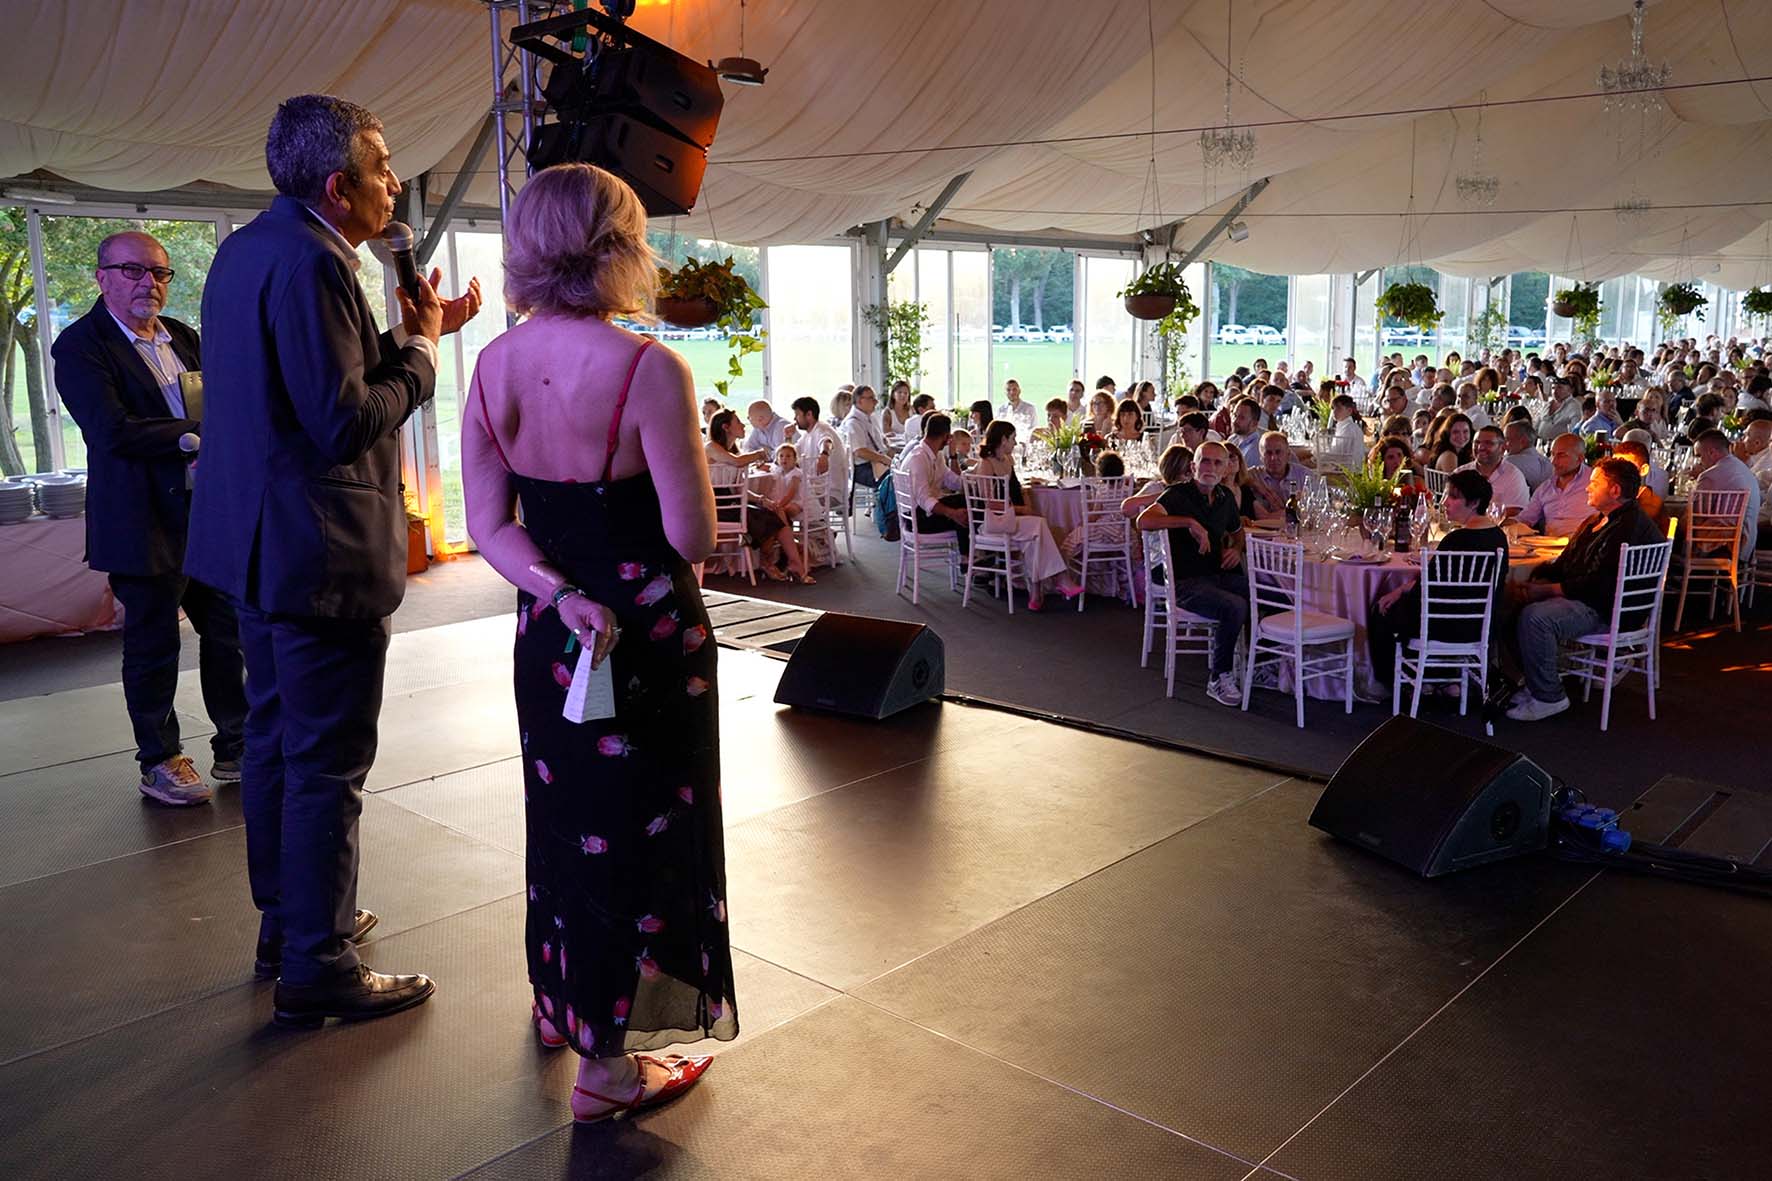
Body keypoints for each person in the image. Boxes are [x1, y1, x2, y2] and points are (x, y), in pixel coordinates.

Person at [185, 95, 483, 1022]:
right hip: (317, 556)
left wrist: (409, 336)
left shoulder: (246, 250)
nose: (395, 181)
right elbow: (343, 421)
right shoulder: (318, 265)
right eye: (383, 164)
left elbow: (307, 388)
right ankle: (318, 966)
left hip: (253, 549)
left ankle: (290, 925)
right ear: (336, 184)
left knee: (276, 746)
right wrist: (426, 356)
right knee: (325, 764)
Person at [462, 162, 730, 1119]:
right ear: (620, 250)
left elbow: (492, 526)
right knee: (643, 828)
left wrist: (559, 589)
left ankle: (565, 1002)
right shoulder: (651, 370)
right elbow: (691, 535)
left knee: (568, 817)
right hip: (646, 629)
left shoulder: (491, 366)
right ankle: (608, 1068)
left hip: (556, 628)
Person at [52, 229, 247, 807]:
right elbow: (111, 431)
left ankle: (237, 746)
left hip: (204, 513)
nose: (150, 284)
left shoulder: (183, 338)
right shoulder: (80, 346)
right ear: (102, 276)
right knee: (155, 645)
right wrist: (198, 437)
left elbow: (228, 396)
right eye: (134, 271)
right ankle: (160, 759)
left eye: (160, 273)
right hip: (140, 522)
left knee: (227, 633)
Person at [1505, 458, 1662, 722]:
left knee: (1536, 619)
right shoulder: (1597, 521)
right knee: (1514, 608)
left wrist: (1546, 591)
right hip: (1589, 599)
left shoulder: (1629, 527)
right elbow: (1566, 561)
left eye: (1595, 483)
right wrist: (1537, 580)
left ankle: (1550, 696)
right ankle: (1537, 682)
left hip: (1607, 610)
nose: (1588, 487)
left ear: (1614, 491)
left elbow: (1599, 585)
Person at [1368, 469, 1508, 689]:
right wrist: (1404, 588)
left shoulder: (1456, 539)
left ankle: (1393, 683)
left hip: (1445, 625)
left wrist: (1399, 593)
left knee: (1381, 609)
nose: (1445, 503)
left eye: (1453, 497)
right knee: (1400, 603)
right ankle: (1442, 679)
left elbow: (1428, 590)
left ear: (1474, 503)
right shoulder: (1498, 537)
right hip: (1481, 625)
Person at [1136, 441, 1248, 706]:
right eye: (1205, 461)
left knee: (1267, 595)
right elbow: (1144, 521)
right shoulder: (1178, 495)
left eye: (1217, 462)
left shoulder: (1225, 497)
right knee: (1235, 606)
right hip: (1185, 581)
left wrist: (1236, 548)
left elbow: (1237, 531)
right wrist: (1189, 522)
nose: (1210, 467)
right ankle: (1218, 677)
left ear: (1225, 470)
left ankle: (1258, 664)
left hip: (1216, 575)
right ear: (1194, 466)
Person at [971, 421, 1083, 610]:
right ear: (1003, 439)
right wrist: (1021, 510)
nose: (1015, 443)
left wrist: (1026, 501)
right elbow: (989, 503)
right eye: (1013, 438)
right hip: (994, 522)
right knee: (1039, 525)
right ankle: (1059, 578)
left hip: (1011, 521)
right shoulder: (986, 464)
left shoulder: (1007, 460)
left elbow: (1017, 489)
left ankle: (1036, 592)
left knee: (1035, 537)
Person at [1692, 428, 1761, 560]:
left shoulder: (1710, 475)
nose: (1699, 461)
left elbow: (1696, 514)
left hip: (1721, 547)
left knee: (1672, 528)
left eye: (1699, 455)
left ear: (1712, 452)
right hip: (1747, 544)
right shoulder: (1743, 469)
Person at [840, 385, 898, 540]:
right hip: (861, 468)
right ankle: (888, 523)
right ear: (860, 401)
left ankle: (899, 518)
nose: (875, 401)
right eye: (871, 398)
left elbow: (880, 444)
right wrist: (884, 459)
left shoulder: (869, 418)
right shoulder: (853, 422)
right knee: (893, 478)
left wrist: (890, 454)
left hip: (875, 462)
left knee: (903, 471)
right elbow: (860, 451)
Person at [902, 412, 969, 542]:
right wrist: (952, 513)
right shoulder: (918, 458)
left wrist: (953, 455)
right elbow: (925, 500)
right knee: (966, 509)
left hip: (925, 512)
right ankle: (971, 556)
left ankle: (969, 555)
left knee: (967, 503)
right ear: (946, 436)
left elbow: (954, 483)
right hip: (916, 519)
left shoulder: (936, 455)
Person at [1519, 434, 1594, 537]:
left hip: (1584, 547)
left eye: (1561, 455)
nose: (1553, 461)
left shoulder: (1594, 482)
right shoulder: (1546, 488)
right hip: (1549, 548)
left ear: (1580, 458)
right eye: (1552, 454)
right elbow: (1525, 519)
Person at [1454, 425, 1529, 516]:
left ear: (1503, 447)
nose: (1480, 447)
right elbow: (1446, 505)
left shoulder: (1513, 476)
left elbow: (1514, 514)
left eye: (1489, 443)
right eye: (1477, 442)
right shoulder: (1460, 473)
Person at [791, 394, 847, 511]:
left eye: (797, 415)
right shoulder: (807, 434)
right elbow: (792, 454)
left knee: (789, 503)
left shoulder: (822, 429)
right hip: (816, 490)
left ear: (809, 415)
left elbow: (827, 441)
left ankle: (815, 527)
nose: (794, 419)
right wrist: (787, 437)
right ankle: (812, 527)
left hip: (829, 493)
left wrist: (824, 455)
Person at [1250, 430, 1310, 520]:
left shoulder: (1305, 476)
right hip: (1262, 531)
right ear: (1261, 458)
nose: (1273, 458)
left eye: (1278, 452)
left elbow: (1315, 510)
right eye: (1268, 453)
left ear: (1288, 455)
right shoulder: (1252, 476)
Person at [1503, 420, 1553, 492]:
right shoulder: (1547, 462)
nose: (1504, 445)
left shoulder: (1510, 462)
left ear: (1523, 441)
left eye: (1507, 440)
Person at [1227, 397, 1264, 470]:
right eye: (1234, 415)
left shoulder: (1256, 450)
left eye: (1242, 418)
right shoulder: (1233, 438)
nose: (1234, 421)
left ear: (1254, 423)